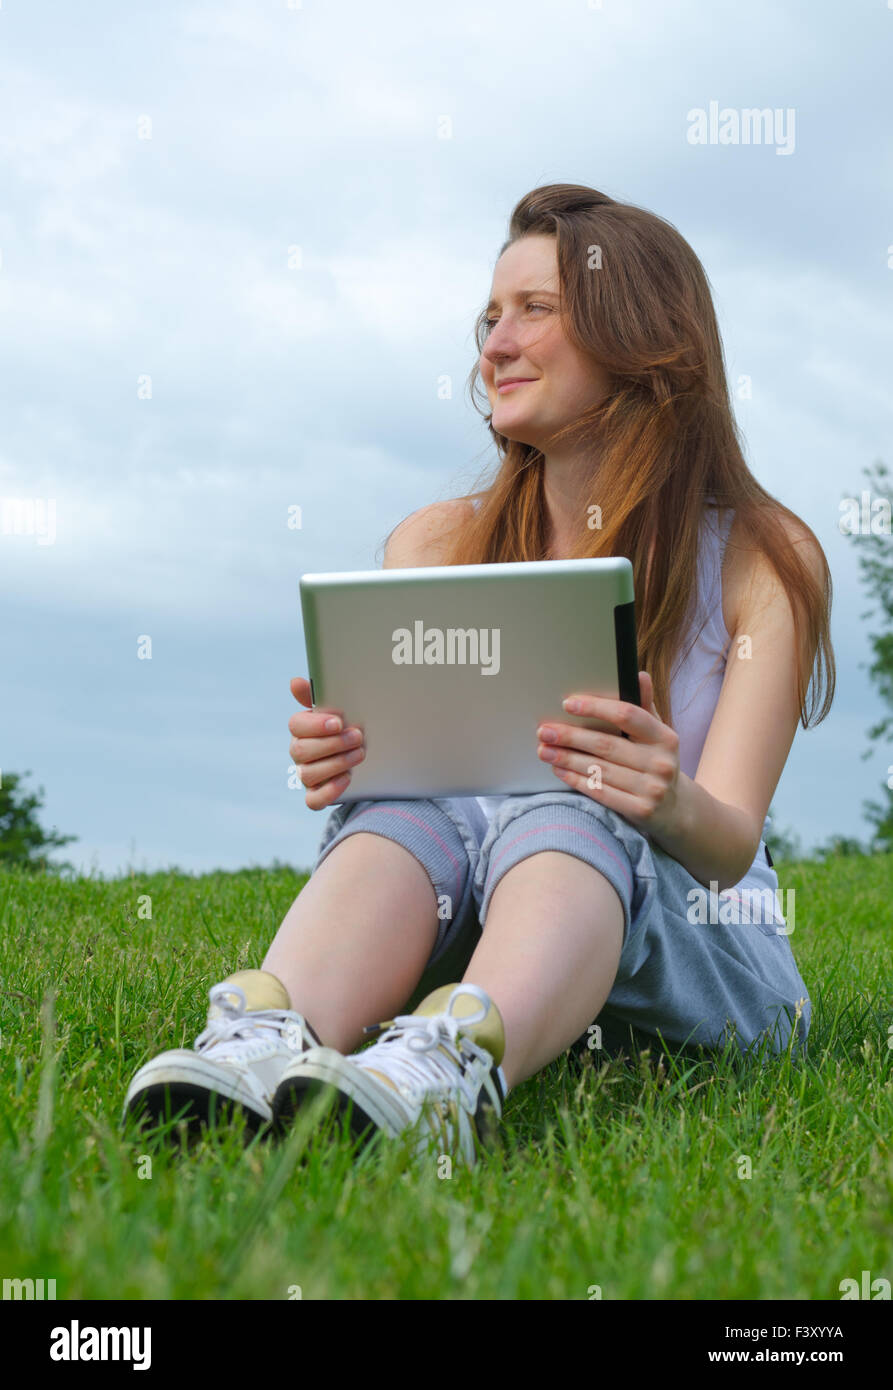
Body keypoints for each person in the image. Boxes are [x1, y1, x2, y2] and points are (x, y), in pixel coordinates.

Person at [125, 183, 834, 1169]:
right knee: (405, 807)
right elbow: (417, 792)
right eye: (488, 317)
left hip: (708, 950)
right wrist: (350, 757)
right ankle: (262, 1043)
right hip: (496, 923)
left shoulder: (760, 554)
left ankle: (452, 1067)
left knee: (575, 800)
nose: (493, 344)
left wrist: (663, 797)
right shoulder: (432, 540)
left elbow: (726, 847)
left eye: (533, 311)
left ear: (641, 336)